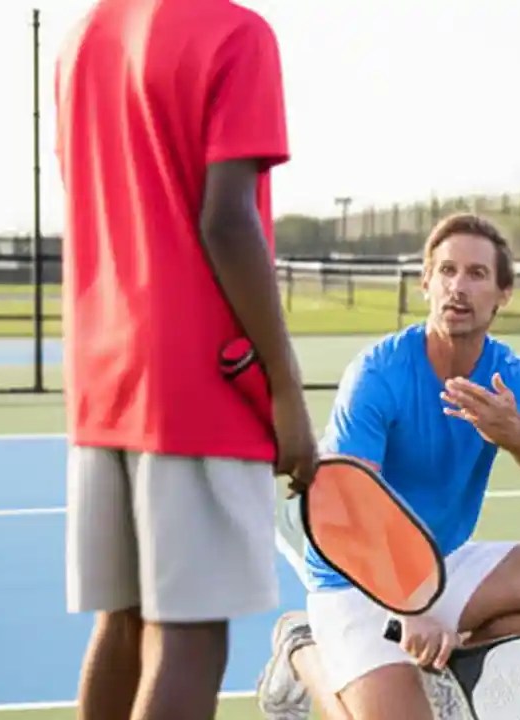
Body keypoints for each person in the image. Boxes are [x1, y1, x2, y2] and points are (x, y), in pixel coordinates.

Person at [53, 1, 318, 718]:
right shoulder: (237, 33)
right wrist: (285, 388)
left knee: (125, 622)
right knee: (189, 637)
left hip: (101, 374)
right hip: (195, 382)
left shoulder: (83, 40)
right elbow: (225, 218)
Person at [256, 213, 520, 720]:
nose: (458, 287)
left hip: (436, 562)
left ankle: (446, 664)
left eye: (476, 274)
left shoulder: (513, 374)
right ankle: (301, 647)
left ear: (503, 293)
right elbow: (351, 504)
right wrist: (411, 609)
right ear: (426, 282)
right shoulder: (378, 372)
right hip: (354, 574)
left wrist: (515, 432)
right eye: (446, 271)